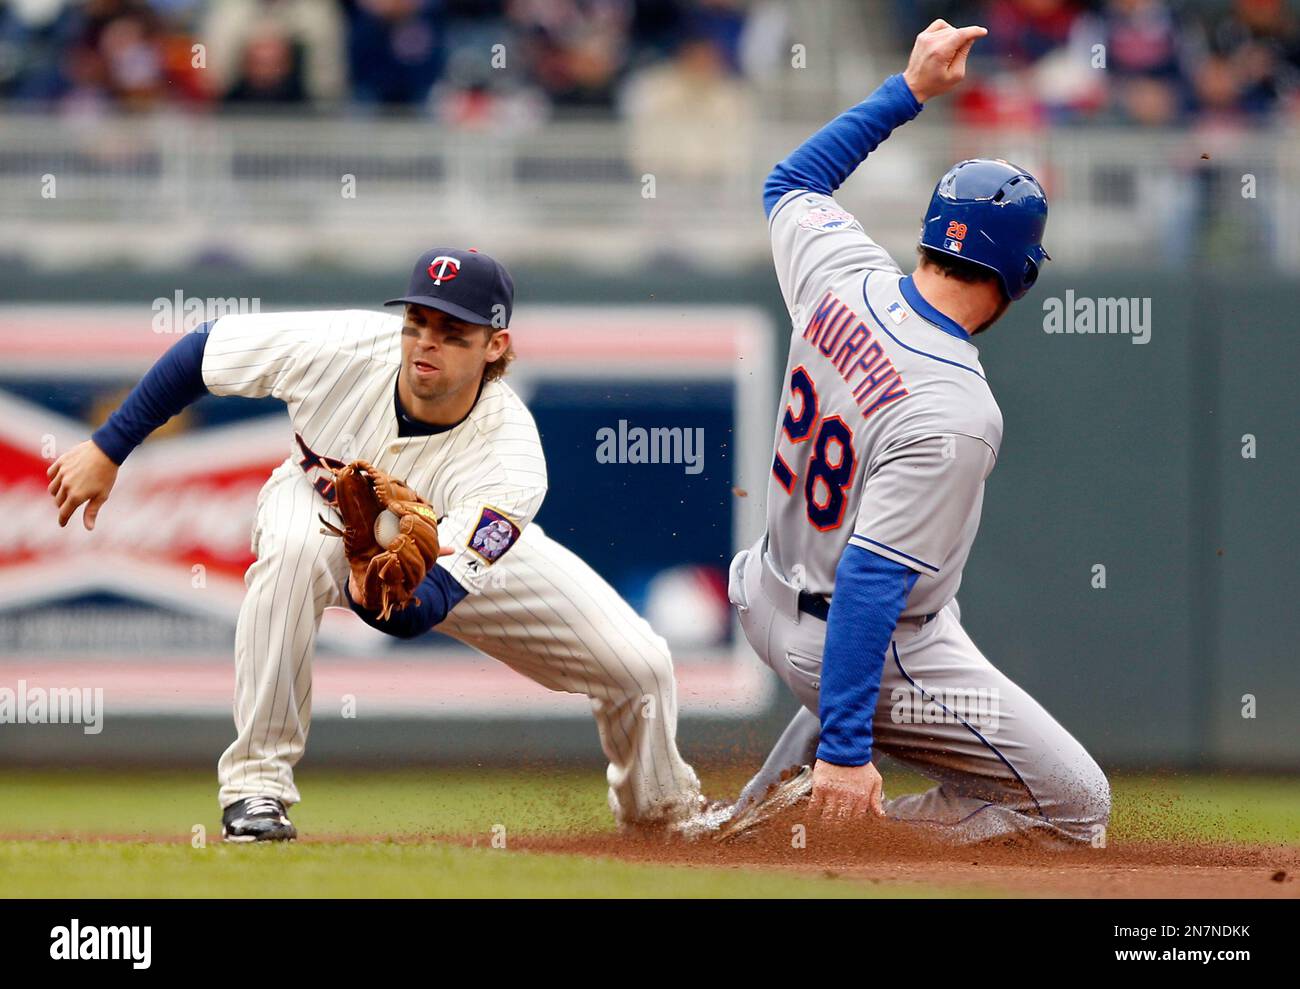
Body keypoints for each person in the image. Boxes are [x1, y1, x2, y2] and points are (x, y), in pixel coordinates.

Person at [46, 247, 703, 841]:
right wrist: (110, 446)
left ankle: (661, 815)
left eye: (453, 332)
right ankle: (256, 788)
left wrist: (381, 588)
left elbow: (428, 602)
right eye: (418, 321)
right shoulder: (342, 346)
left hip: (447, 554)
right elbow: (203, 349)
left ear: (496, 346)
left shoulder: (511, 459)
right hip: (316, 497)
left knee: (641, 665)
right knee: (295, 555)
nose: (427, 342)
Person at [716, 21, 1110, 846]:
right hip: (856, 643)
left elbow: (792, 180)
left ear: (933, 233)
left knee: (935, 609)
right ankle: (824, 825)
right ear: (1021, 279)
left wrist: (911, 88)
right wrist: (850, 756)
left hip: (761, 588)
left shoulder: (843, 273)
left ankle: (768, 797)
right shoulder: (958, 408)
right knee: (1076, 807)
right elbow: (869, 583)